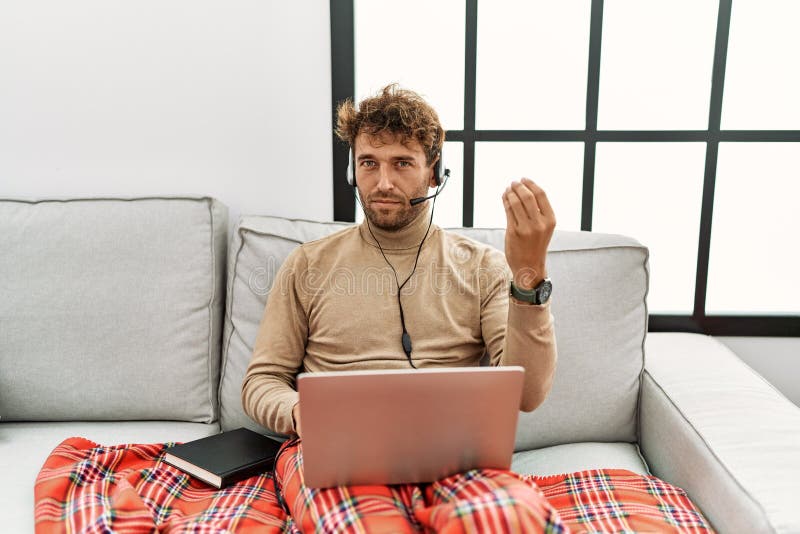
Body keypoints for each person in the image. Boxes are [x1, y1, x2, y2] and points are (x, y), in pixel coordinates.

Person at [242, 84, 562, 532]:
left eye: (402, 164)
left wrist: (528, 274)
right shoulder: (307, 264)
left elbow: (528, 395)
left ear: (435, 173)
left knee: (506, 519)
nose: (384, 183)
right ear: (353, 171)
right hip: (338, 453)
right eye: (369, 164)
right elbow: (262, 381)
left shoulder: (483, 266)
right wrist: (301, 413)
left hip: (456, 455)